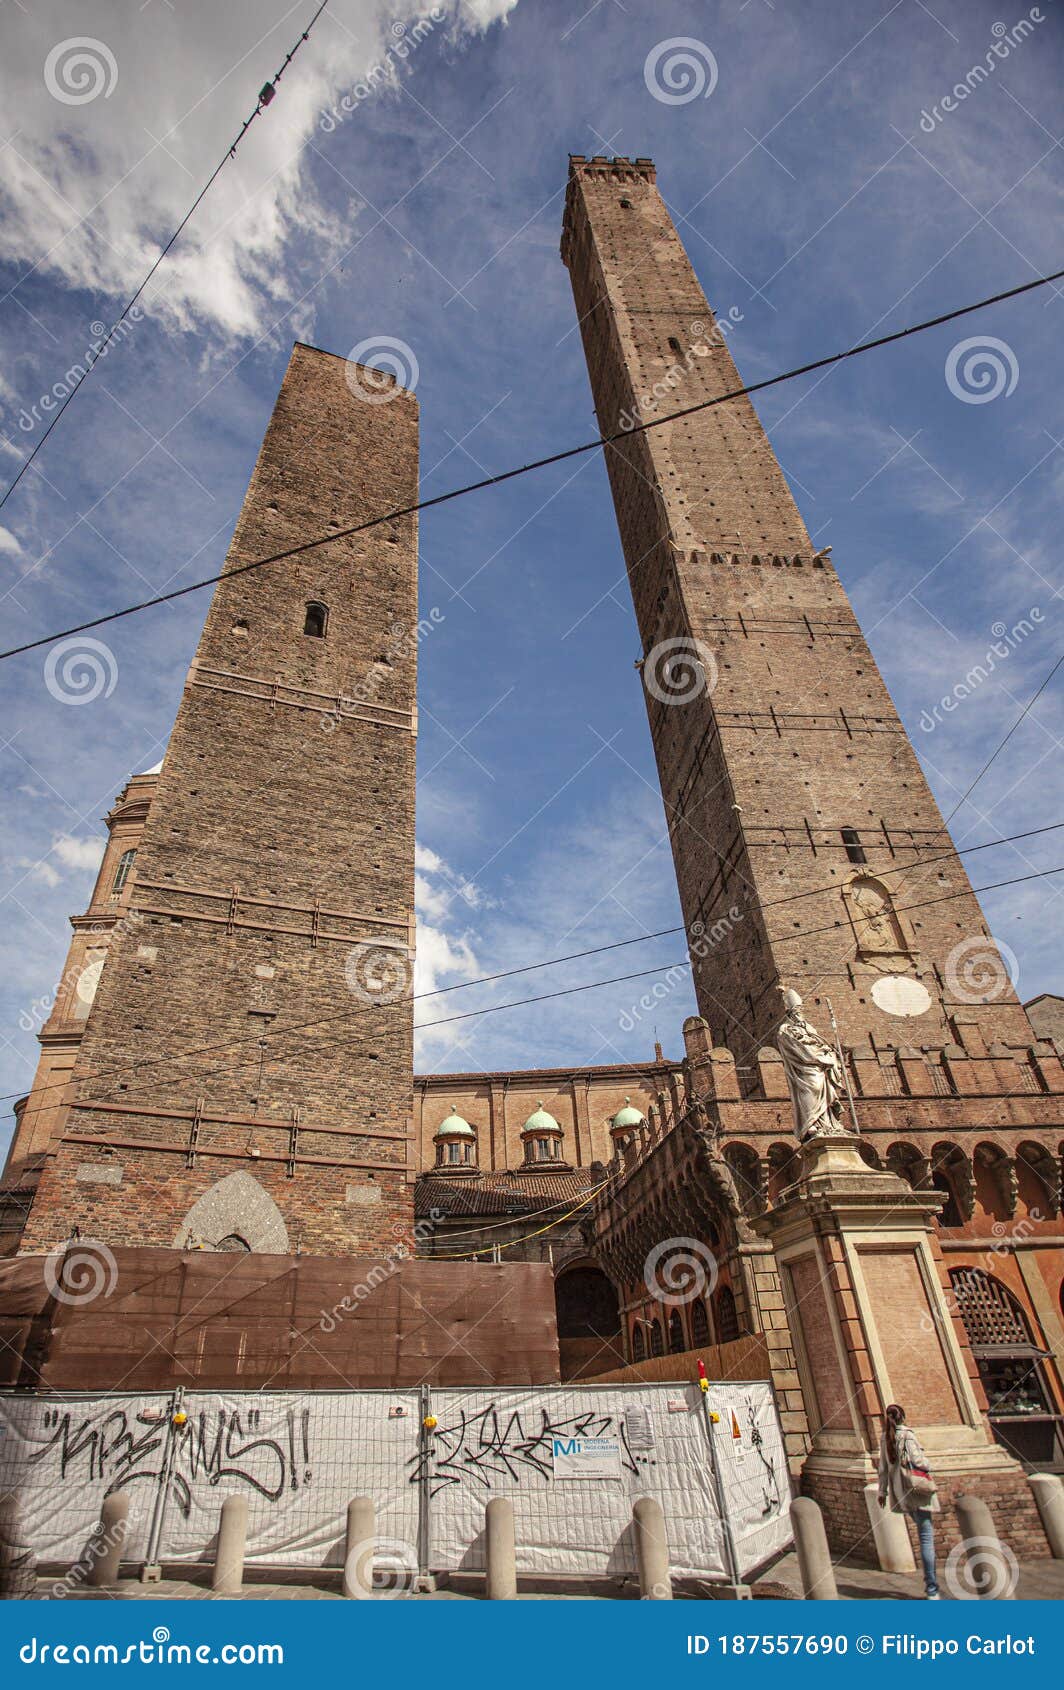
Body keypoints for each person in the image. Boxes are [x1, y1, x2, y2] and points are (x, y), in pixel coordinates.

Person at [877, 1402, 940, 1598]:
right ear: (903, 1417)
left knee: (923, 1534)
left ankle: (931, 1587)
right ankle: (932, 1589)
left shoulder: (885, 1438)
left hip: (900, 1492)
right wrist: (931, 1463)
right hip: (916, 1489)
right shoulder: (907, 1435)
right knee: (926, 1538)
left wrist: (882, 1492)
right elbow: (918, 1461)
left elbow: (883, 1470)